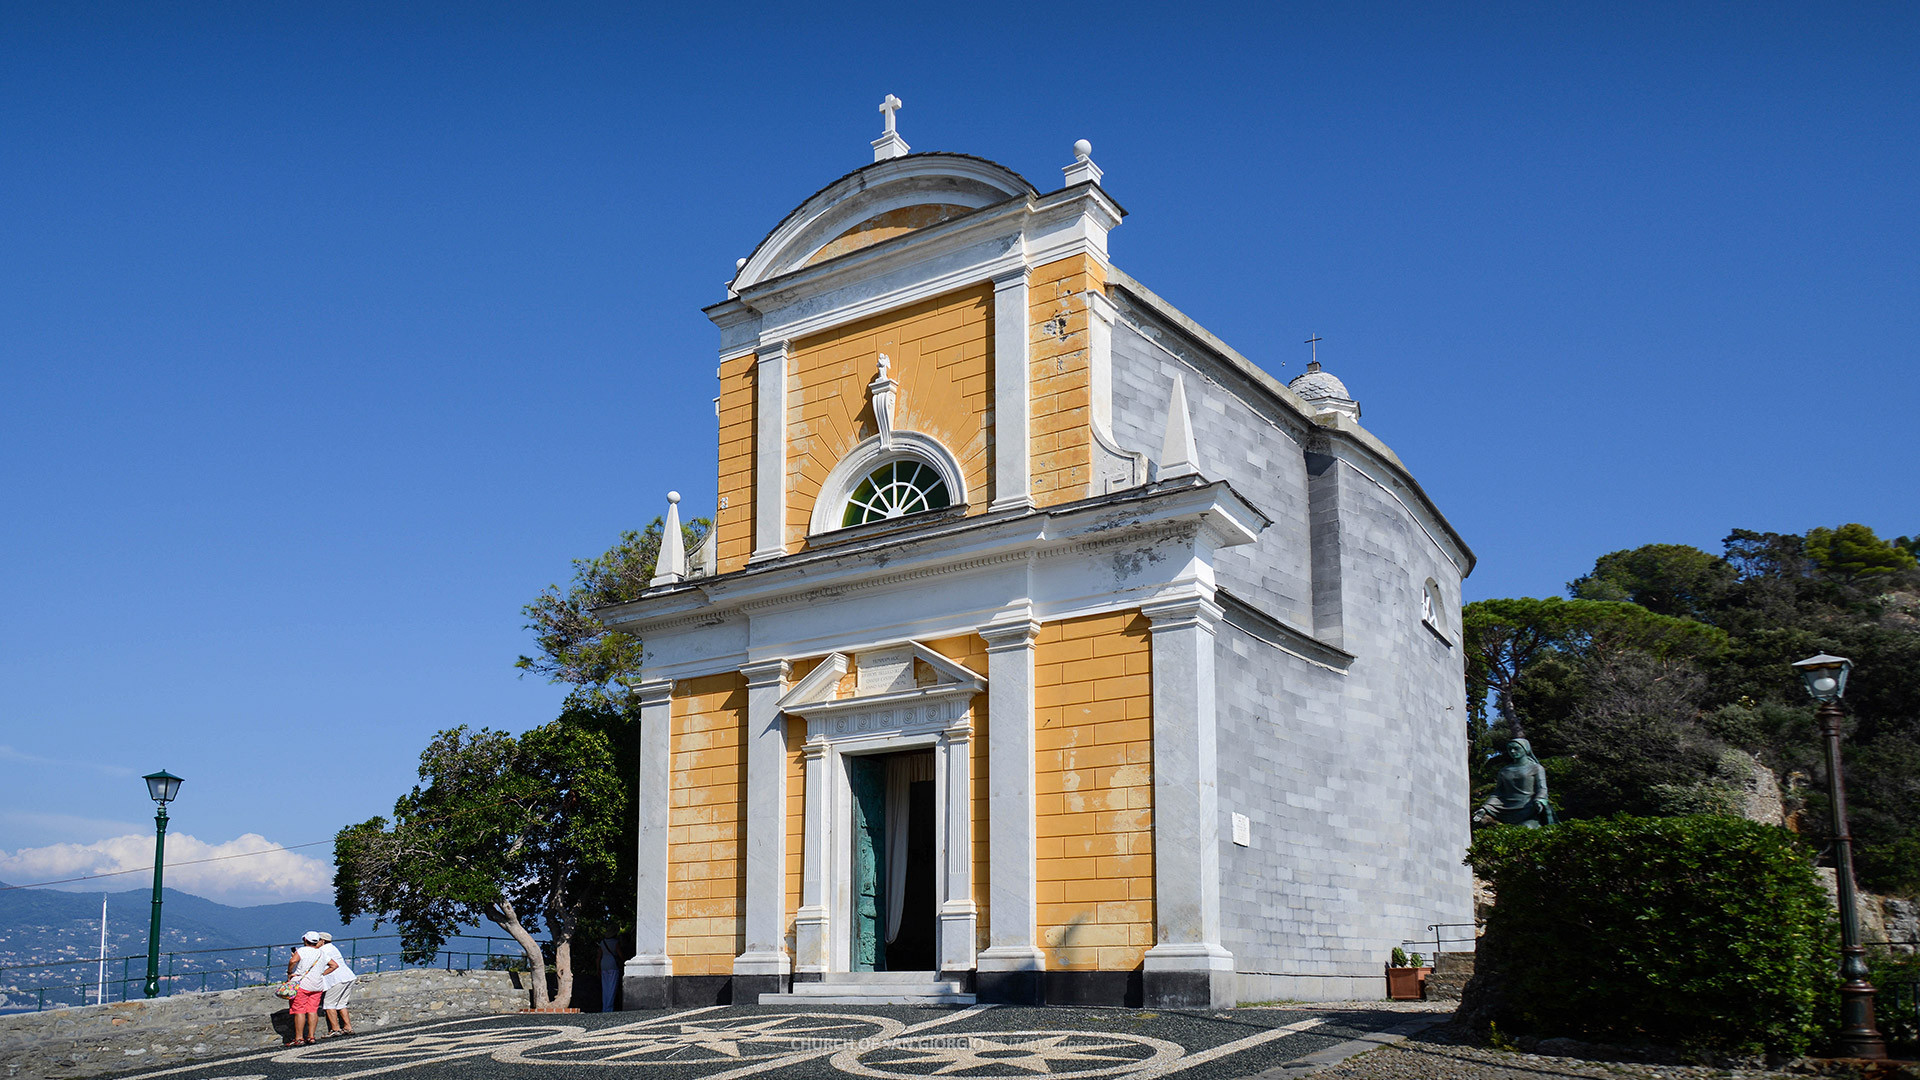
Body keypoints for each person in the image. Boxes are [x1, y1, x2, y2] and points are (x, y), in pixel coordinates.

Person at [1473, 737, 1553, 828]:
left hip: (1528, 809)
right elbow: (1498, 793)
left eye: (1516, 748)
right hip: (1505, 809)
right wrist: (1485, 807)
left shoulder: (1536, 768)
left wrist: (1539, 799)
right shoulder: (1504, 771)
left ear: (1526, 749)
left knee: (1526, 829)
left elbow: (1542, 788)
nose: (1513, 751)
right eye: (1510, 749)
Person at [285, 931, 338, 1046]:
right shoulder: (321, 953)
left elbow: (293, 961)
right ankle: (311, 1036)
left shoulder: (301, 951)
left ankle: (299, 1038)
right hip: (317, 985)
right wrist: (322, 973)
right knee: (312, 1010)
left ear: (305, 940)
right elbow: (334, 965)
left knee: (299, 1011)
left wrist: (290, 972)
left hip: (302, 985)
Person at [316, 931, 357, 1036]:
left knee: (329, 1004)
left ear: (323, 941)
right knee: (341, 1004)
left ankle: (335, 1029)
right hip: (348, 976)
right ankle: (348, 1027)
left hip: (336, 979)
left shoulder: (322, 950)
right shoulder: (333, 948)